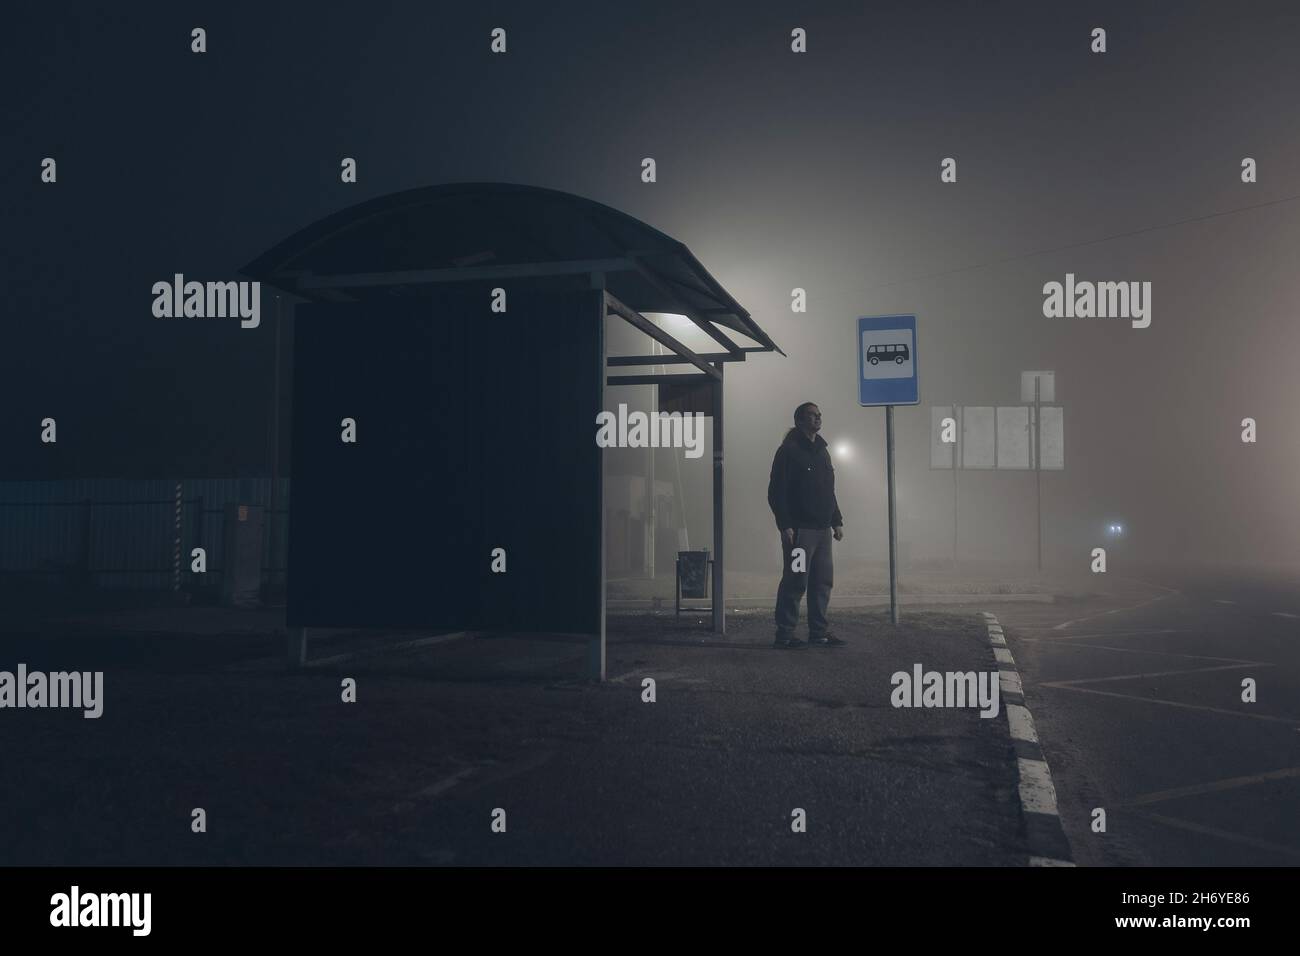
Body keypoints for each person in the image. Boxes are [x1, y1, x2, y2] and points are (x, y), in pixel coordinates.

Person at [766, 402, 846, 648]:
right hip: (800, 532)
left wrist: (836, 521)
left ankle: (818, 633)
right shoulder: (788, 451)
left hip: (822, 532)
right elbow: (776, 491)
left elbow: (828, 490)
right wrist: (785, 525)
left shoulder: (823, 451)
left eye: (819, 415)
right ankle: (785, 635)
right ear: (800, 420)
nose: (817, 419)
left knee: (822, 582)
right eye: (812, 415)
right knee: (795, 581)